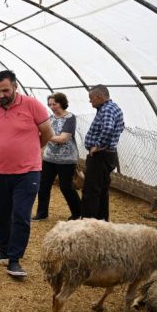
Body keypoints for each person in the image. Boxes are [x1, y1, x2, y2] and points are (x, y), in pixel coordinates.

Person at [0, 70, 54, 279]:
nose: (0, 95)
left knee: (21, 215)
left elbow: (47, 133)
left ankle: (14, 259)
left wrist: (30, 150)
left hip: (27, 172)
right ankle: (3, 250)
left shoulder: (32, 105)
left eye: (5, 90)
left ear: (15, 86)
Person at [33, 92, 82, 221]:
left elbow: (63, 139)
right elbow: (41, 132)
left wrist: (46, 136)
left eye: (54, 104)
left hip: (66, 159)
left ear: (62, 103)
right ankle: (42, 213)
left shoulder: (70, 118)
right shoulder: (50, 118)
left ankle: (78, 213)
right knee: (43, 186)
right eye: (50, 104)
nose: (52, 107)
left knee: (66, 187)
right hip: (49, 158)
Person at [81, 85, 124, 221]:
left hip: (100, 155)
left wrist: (98, 146)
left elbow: (108, 128)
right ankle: (101, 220)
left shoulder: (106, 109)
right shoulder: (115, 108)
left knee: (91, 190)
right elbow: (120, 127)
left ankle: (88, 222)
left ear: (99, 97)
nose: (90, 101)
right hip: (108, 154)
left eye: (91, 98)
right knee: (101, 189)